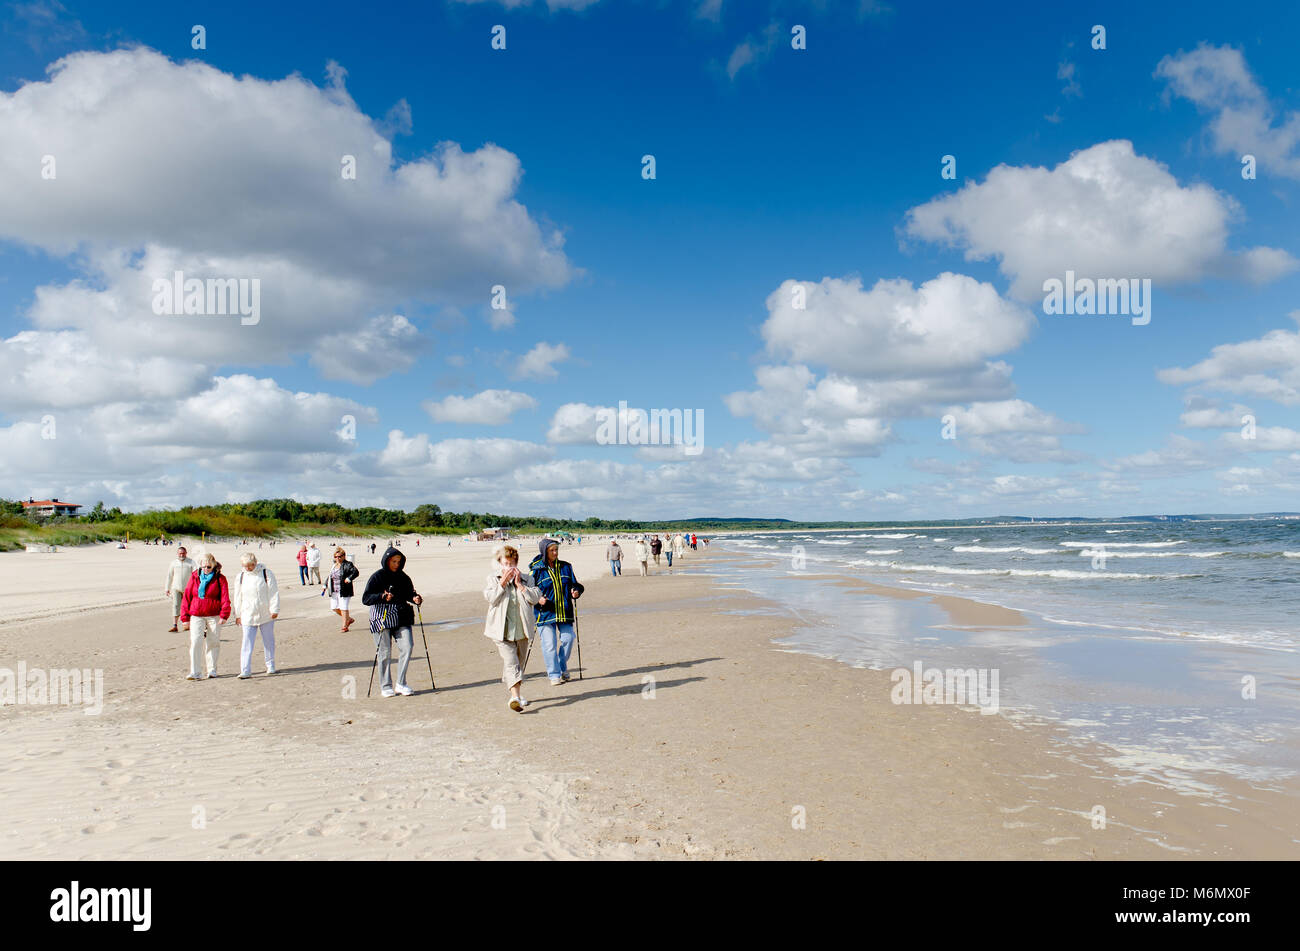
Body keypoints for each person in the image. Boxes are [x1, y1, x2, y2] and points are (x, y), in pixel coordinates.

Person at [483, 544, 541, 712]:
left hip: (522, 629)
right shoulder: (493, 579)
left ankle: (515, 690)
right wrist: (502, 582)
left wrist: (520, 585)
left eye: (512, 563)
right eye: (505, 564)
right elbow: (491, 598)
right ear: (500, 563)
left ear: (516, 563)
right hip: (501, 630)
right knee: (511, 662)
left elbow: (536, 597)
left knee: (519, 663)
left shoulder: (526, 578)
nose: (509, 567)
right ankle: (515, 697)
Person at [361, 546, 423, 698]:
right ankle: (386, 685)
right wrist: (382, 597)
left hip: (402, 616)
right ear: (387, 561)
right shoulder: (377, 577)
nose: (396, 564)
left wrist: (416, 598)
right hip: (381, 617)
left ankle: (401, 683)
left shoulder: (404, 577)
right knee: (385, 652)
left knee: (408, 646)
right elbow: (366, 598)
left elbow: (410, 593)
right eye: (394, 561)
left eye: (399, 561)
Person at [528, 538, 585, 685]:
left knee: (568, 638)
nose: (555, 553)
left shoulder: (566, 567)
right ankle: (554, 675)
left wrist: (576, 591)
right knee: (550, 645)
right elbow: (528, 592)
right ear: (544, 552)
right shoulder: (535, 571)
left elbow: (576, 584)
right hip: (545, 613)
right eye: (552, 550)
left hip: (564, 612)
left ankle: (561, 666)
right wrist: (538, 599)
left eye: (556, 550)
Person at [179, 553, 230, 680]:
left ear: (213, 566)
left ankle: (212, 670)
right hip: (196, 614)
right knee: (196, 642)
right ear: (200, 566)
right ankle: (195, 671)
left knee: (213, 642)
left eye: (208, 567)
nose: (206, 569)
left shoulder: (220, 578)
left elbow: (225, 598)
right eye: (204, 567)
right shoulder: (195, 576)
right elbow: (187, 597)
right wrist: (184, 618)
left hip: (214, 615)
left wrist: (224, 615)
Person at [232, 553, 280, 678]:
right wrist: (238, 614)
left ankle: (270, 665)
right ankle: (245, 670)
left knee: (268, 641)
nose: (248, 568)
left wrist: (274, 609)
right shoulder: (241, 577)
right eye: (245, 566)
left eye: (250, 565)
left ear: (255, 563)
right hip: (247, 613)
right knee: (246, 642)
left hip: (265, 613)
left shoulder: (266, 573)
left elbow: (273, 592)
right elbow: (237, 597)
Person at [326, 547, 361, 632]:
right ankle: (348, 619)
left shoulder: (348, 564)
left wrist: (349, 578)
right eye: (336, 557)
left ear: (344, 556)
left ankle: (345, 626)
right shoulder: (334, 565)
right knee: (334, 608)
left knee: (343, 607)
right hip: (334, 590)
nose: (337, 558)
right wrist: (325, 585)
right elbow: (330, 576)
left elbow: (355, 572)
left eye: (339, 556)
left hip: (344, 589)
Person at [164, 545, 196, 632]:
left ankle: (188, 624)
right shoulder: (173, 563)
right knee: (176, 605)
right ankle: (175, 625)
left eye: (183, 553)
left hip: (188, 589)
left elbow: (196, 576)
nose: (181, 555)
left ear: (186, 553)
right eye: (180, 553)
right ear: (177, 554)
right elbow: (169, 576)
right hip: (176, 588)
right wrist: (167, 588)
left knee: (189, 607)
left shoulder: (191, 562)